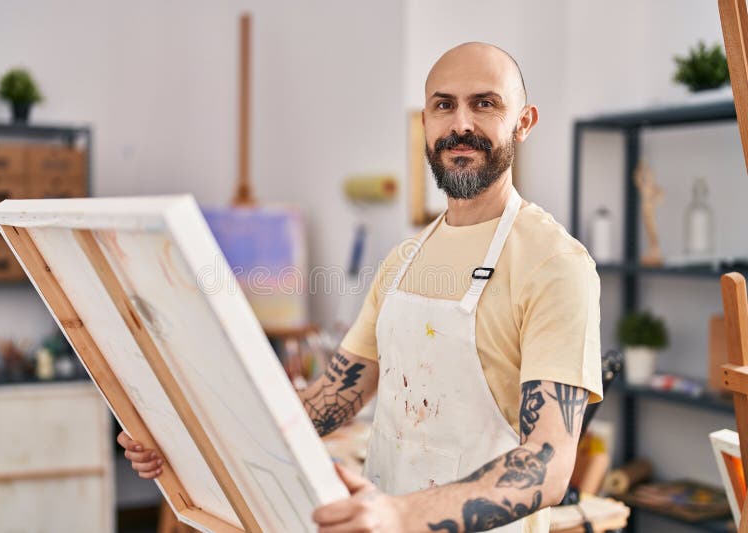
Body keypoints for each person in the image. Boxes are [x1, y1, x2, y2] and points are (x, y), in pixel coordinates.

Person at [119, 41, 603, 533]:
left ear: (523, 122)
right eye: (443, 105)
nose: (460, 124)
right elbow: (332, 399)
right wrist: (190, 438)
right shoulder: (404, 260)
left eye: (485, 103)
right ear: (425, 124)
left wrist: (400, 514)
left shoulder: (556, 265)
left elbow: (547, 464)